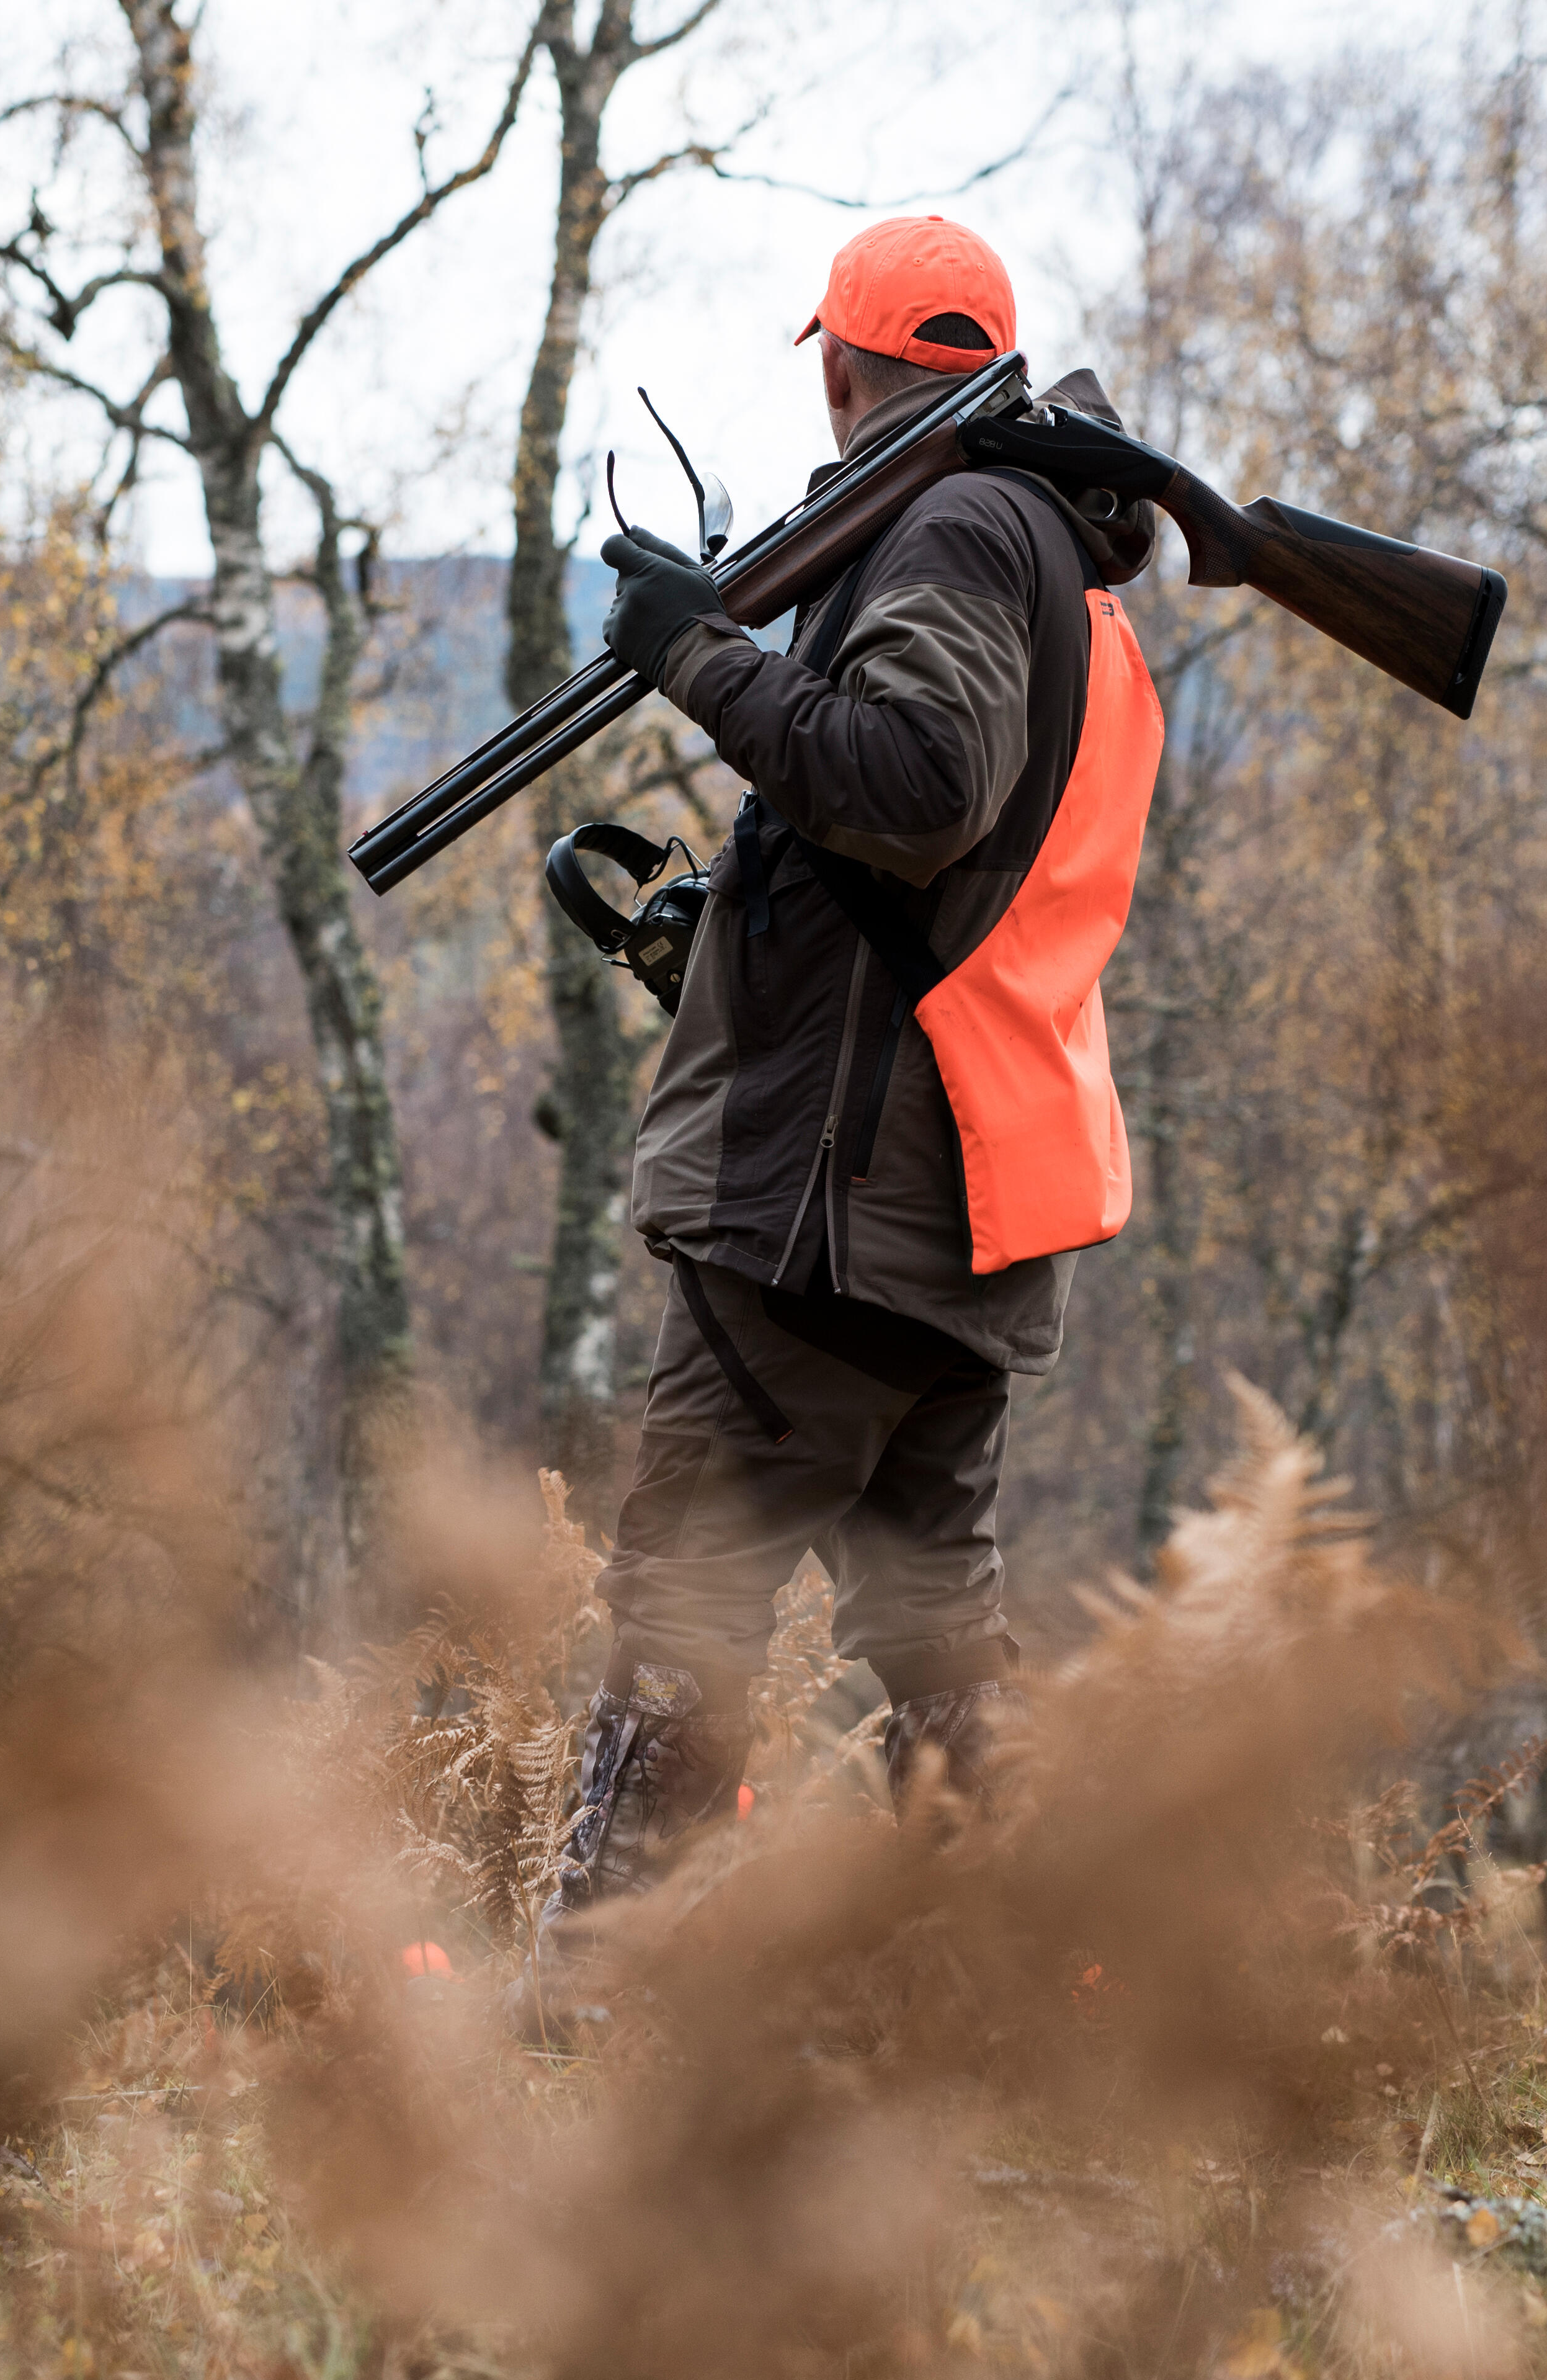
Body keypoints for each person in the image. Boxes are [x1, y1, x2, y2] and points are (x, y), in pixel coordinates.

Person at [537, 215, 1166, 1957]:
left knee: (687, 1602)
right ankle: (1019, 1997)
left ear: (842, 359)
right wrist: (737, 948)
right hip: (959, 1190)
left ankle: (598, 2009)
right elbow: (942, 878)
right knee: (938, 1641)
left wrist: (698, 654)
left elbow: (912, 783)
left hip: (835, 1215)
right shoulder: (1058, 563)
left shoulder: (962, 522)